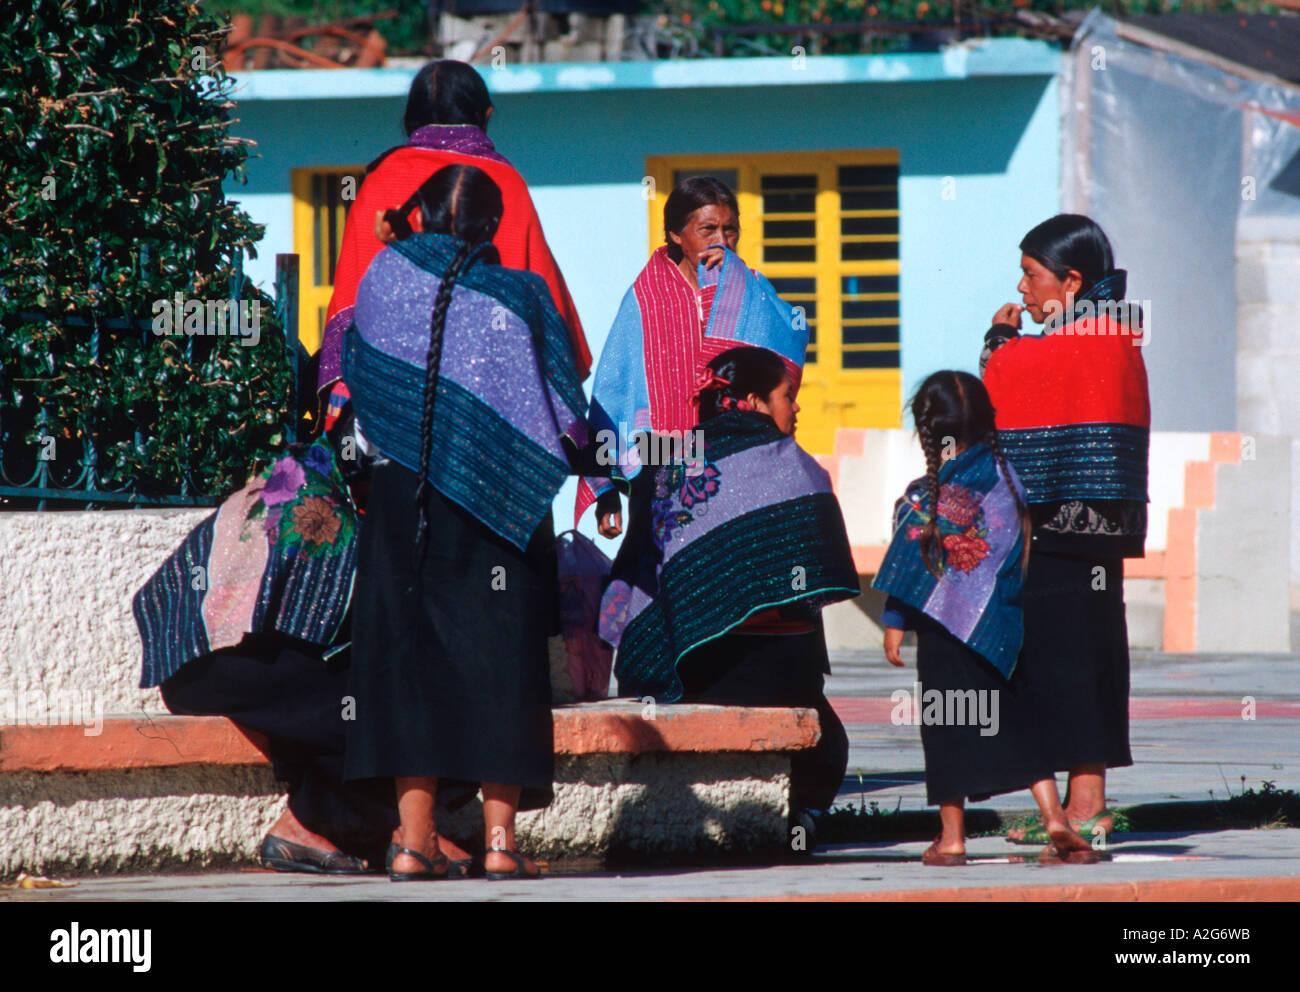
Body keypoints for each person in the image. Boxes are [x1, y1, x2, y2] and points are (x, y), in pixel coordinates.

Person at [341, 164, 588, 880]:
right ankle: (501, 845)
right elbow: (564, 406)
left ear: (421, 217)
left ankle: (412, 844)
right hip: (498, 501)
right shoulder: (520, 293)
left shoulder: (384, 279)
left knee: (404, 659)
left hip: (400, 500)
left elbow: (359, 370)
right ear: (494, 228)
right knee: (500, 662)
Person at [600, 346, 858, 820]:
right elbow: (817, 576)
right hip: (778, 680)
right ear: (754, 402)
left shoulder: (665, 461)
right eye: (787, 395)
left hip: (679, 675)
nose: (795, 406)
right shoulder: (795, 468)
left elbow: (638, 563)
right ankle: (801, 817)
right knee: (829, 741)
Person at [133, 428, 393, 874]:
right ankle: (305, 824)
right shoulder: (316, 501)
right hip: (207, 667)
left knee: (363, 690)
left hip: (222, 659)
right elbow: (342, 612)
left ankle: (334, 825)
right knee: (374, 701)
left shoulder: (304, 474)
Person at [873, 371, 1096, 865]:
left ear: (926, 430)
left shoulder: (923, 499)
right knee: (1015, 723)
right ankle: (1055, 817)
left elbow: (910, 565)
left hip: (940, 635)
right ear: (988, 420)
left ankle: (951, 839)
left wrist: (893, 622)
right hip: (999, 628)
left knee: (948, 726)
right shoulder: (1008, 482)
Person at [980, 214, 1149, 845]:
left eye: (1032, 275)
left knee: (1065, 662)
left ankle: (1084, 809)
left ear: (1071, 281)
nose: (1023, 289)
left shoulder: (1087, 340)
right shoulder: (1114, 334)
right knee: (1088, 658)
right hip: (1096, 534)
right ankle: (1085, 806)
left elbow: (1001, 388)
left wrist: (998, 339)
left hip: (1059, 529)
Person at [315, 59, 590, 430]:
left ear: (411, 120)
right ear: (486, 115)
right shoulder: (506, 183)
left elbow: (351, 302)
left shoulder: (379, 181)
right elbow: (544, 306)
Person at [577, 177, 806, 594]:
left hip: (735, 461)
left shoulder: (753, 290)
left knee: (730, 579)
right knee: (655, 578)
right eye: (708, 229)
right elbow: (614, 391)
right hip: (659, 456)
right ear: (675, 235)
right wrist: (605, 487)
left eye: (730, 229)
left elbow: (785, 358)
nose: (722, 240)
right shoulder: (646, 300)